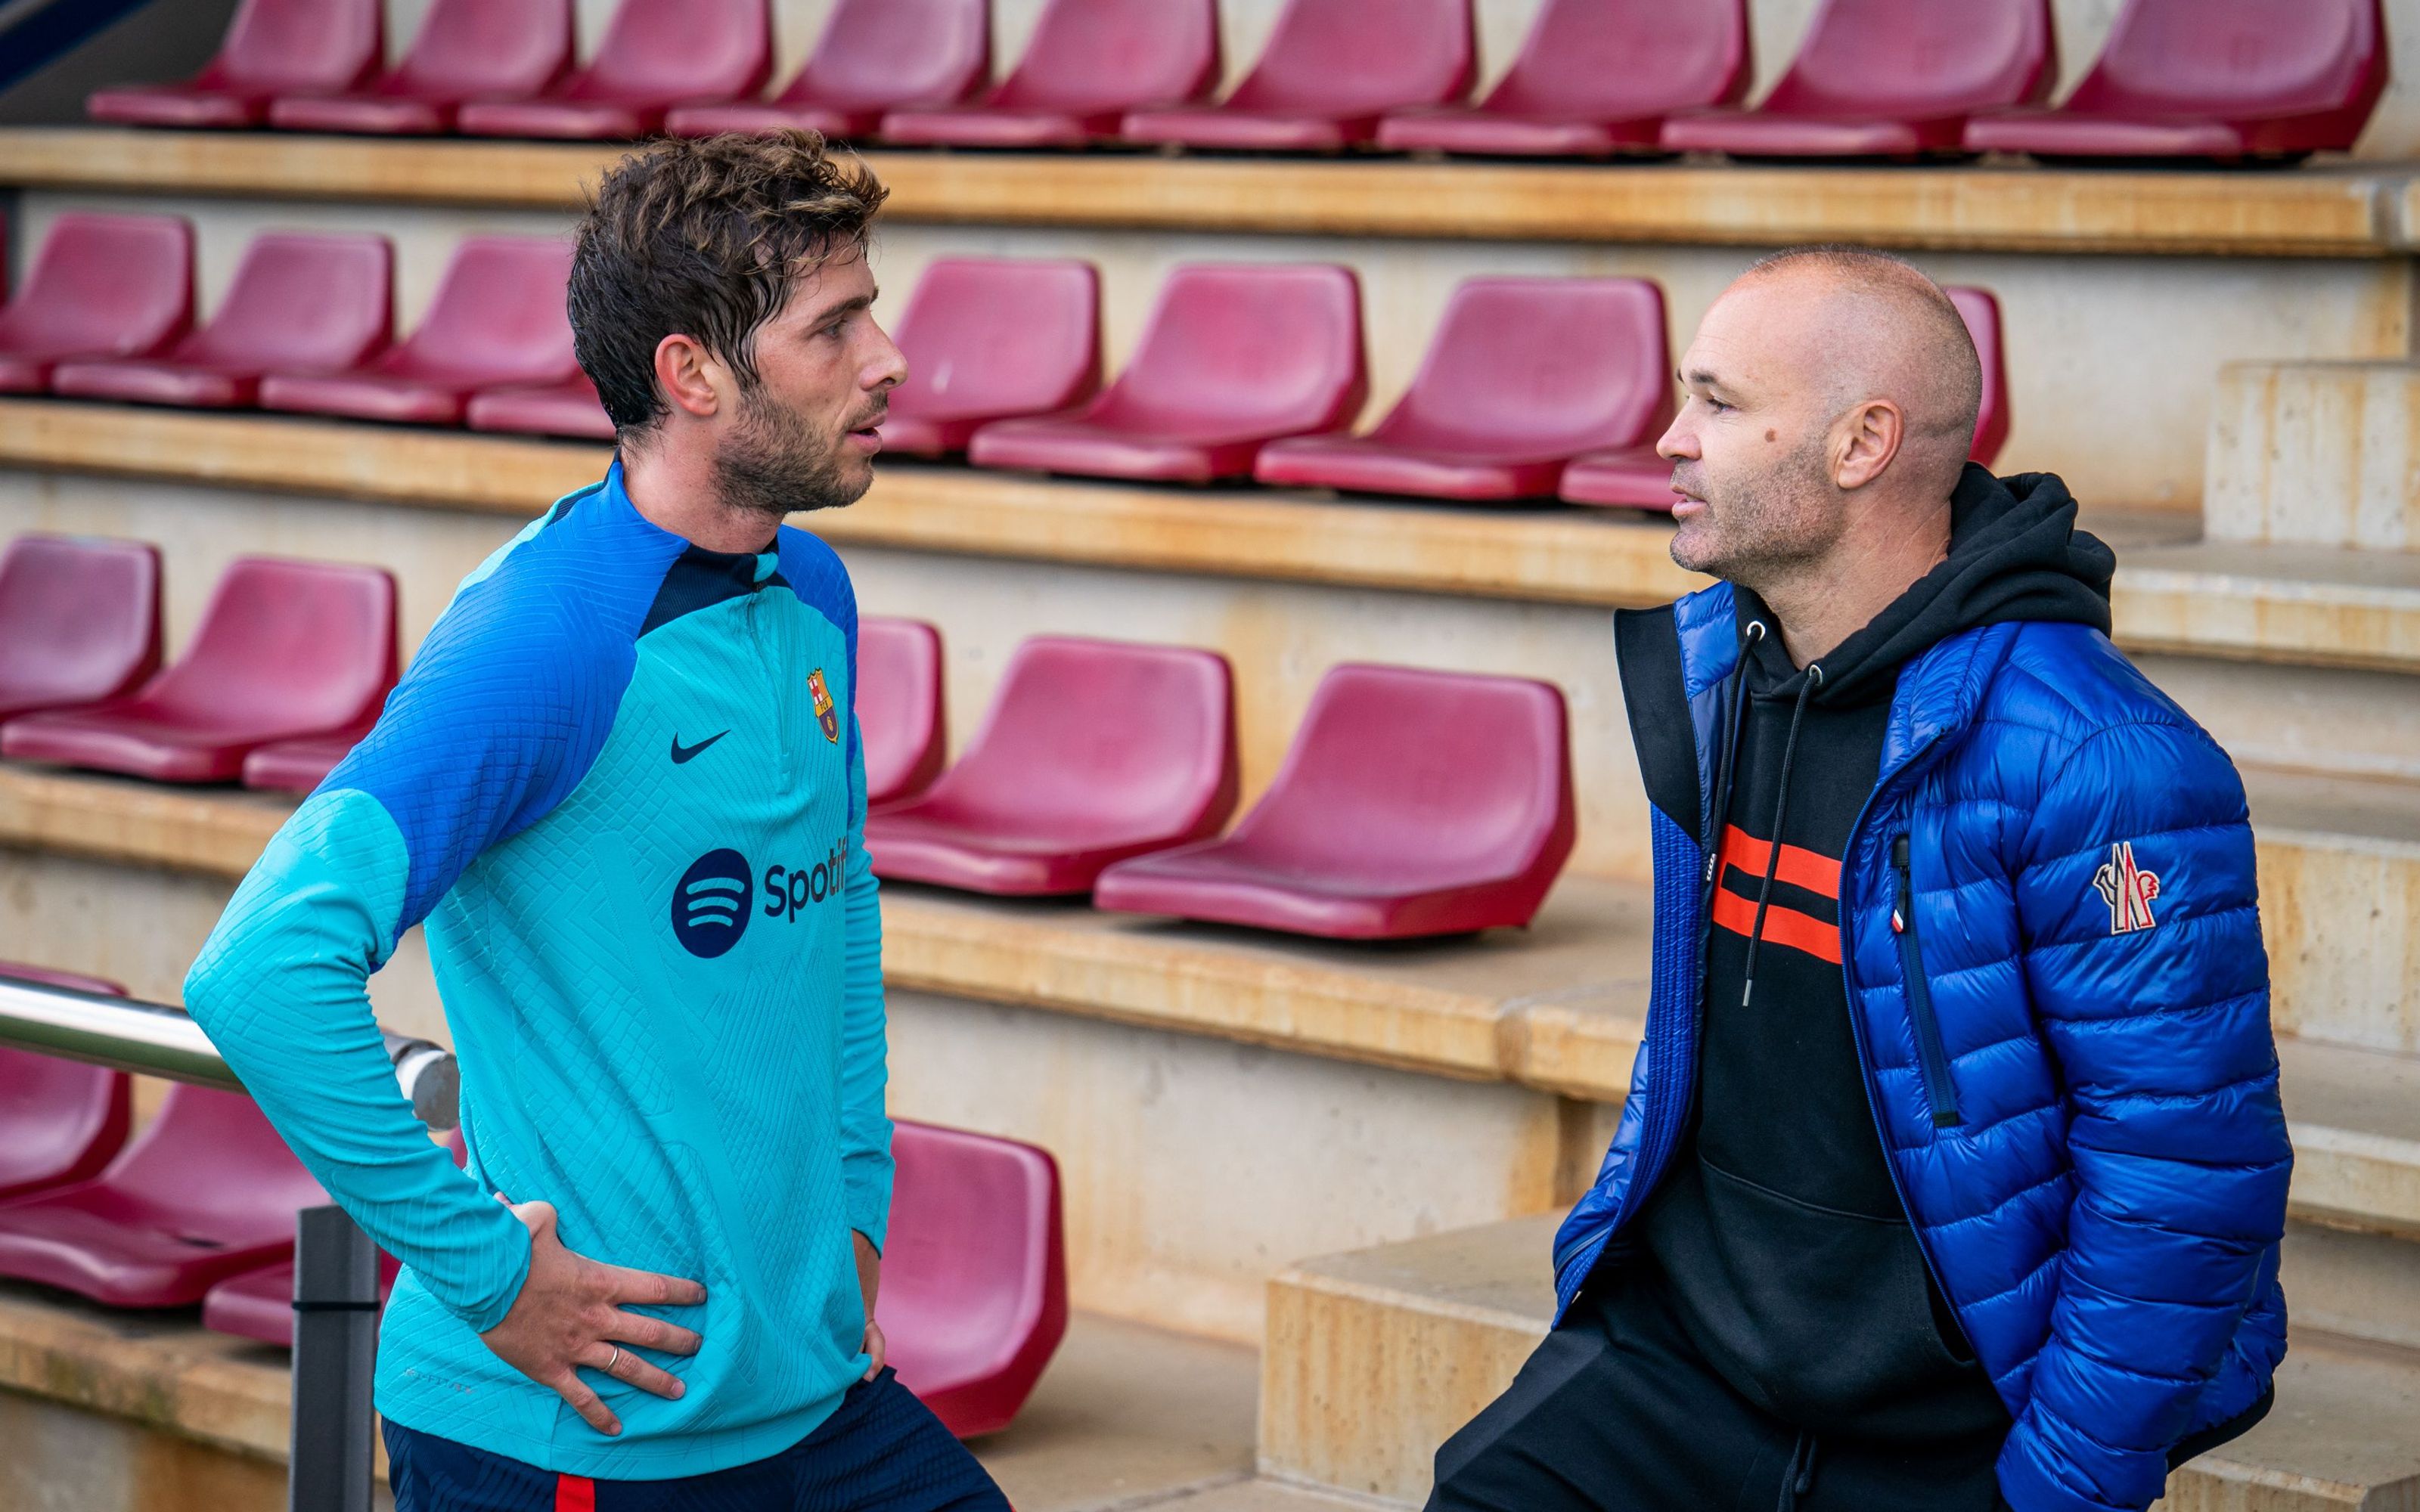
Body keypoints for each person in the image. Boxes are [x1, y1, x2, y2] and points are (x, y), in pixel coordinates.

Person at [184, 132, 1011, 1510]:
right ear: (694, 375)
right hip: (577, 1435)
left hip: (810, 1392)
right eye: (835, 326)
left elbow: (837, 895)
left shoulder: (812, 591)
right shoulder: (545, 644)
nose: (890, 359)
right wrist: (491, 1278)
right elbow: (259, 972)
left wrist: (855, 1213)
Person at [1426, 246, 2290, 1512]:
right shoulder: (1714, 680)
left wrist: (2059, 1487)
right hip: (1685, 1360)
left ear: (1861, 444)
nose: (1670, 438)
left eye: (1719, 403)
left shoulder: (2101, 761)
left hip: (1948, 1419)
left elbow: (2184, 1178)